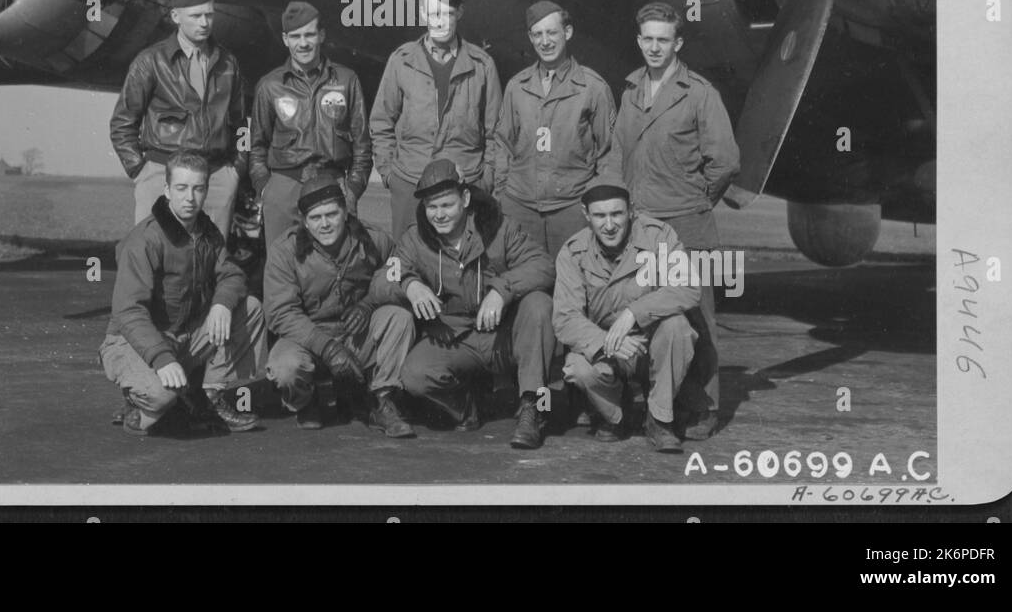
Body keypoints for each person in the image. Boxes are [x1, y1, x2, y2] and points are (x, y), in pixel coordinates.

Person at [606, 2, 740, 438]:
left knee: (697, 319)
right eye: (648, 39)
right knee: (643, 313)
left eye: (664, 39)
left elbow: (725, 161)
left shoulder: (700, 93)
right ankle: (656, 402)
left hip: (687, 223)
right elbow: (617, 153)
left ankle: (702, 409)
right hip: (640, 226)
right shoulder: (629, 92)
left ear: (677, 43)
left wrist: (694, 201)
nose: (655, 47)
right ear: (638, 41)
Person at [381, 159, 556, 450]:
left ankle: (535, 407)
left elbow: (543, 266)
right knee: (415, 375)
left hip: (503, 334)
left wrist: (502, 290)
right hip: (454, 336)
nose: (438, 215)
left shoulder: (498, 228)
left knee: (539, 305)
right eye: (431, 207)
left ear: (464, 199)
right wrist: (409, 285)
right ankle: (468, 404)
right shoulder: (415, 238)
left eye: (446, 205)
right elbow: (383, 279)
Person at [99, 151, 264, 438]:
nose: (190, 197)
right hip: (132, 340)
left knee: (249, 307)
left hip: (183, 338)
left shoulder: (206, 233)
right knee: (162, 398)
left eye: (198, 188)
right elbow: (128, 311)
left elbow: (233, 274)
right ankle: (141, 405)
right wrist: (162, 358)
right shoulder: (144, 240)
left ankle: (207, 399)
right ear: (166, 190)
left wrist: (221, 305)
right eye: (181, 188)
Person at [263, 172, 417, 437]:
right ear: (304, 222)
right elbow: (281, 313)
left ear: (345, 212)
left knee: (399, 317)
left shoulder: (374, 240)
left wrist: (368, 303)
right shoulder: (284, 252)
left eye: (331, 214)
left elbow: (396, 276)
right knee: (285, 368)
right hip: (308, 338)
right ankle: (306, 400)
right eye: (315, 217)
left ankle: (381, 398)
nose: (325, 224)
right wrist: (327, 347)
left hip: (355, 332)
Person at [553, 185, 701, 452]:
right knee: (576, 368)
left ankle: (659, 418)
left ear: (631, 211)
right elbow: (565, 317)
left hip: (649, 344)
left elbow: (688, 287)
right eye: (600, 216)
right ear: (586, 214)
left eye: (617, 214)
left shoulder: (659, 236)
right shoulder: (573, 251)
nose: (609, 225)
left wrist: (634, 313)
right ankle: (615, 417)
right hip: (605, 351)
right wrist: (606, 341)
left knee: (678, 327)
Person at [109, 0, 247, 234]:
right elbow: (122, 122)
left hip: (215, 177)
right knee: (154, 257)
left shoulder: (229, 64)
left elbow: (240, 125)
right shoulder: (150, 61)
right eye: (195, 16)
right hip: (162, 174)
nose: (204, 23)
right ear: (175, 16)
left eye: (209, 14)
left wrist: (234, 171)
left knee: (210, 261)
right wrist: (141, 170)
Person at [370, 0, 501, 242]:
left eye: (448, 14)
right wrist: (389, 175)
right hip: (410, 184)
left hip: (465, 184)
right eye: (433, 14)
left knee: (465, 264)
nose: (440, 21)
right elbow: (381, 121)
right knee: (409, 264)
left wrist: (484, 181)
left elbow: (497, 132)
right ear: (422, 13)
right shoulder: (401, 60)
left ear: (460, 13)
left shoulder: (482, 65)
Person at [491, 0, 618, 256]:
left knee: (573, 284)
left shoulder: (593, 88)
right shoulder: (517, 86)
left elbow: (609, 153)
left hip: (571, 209)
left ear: (567, 33)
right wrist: (503, 192)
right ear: (530, 38)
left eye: (552, 32)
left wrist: (599, 204)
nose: (545, 41)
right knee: (524, 284)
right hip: (521, 207)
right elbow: (503, 143)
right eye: (537, 34)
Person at [249, 1, 372, 249]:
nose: (303, 43)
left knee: (336, 267)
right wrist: (266, 190)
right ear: (285, 39)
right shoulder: (270, 85)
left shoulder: (347, 80)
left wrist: (352, 189)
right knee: (281, 266)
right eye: (295, 36)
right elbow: (257, 146)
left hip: (332, 183)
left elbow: (362, 145)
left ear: (321, 35)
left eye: (309, 35)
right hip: (285, 186)